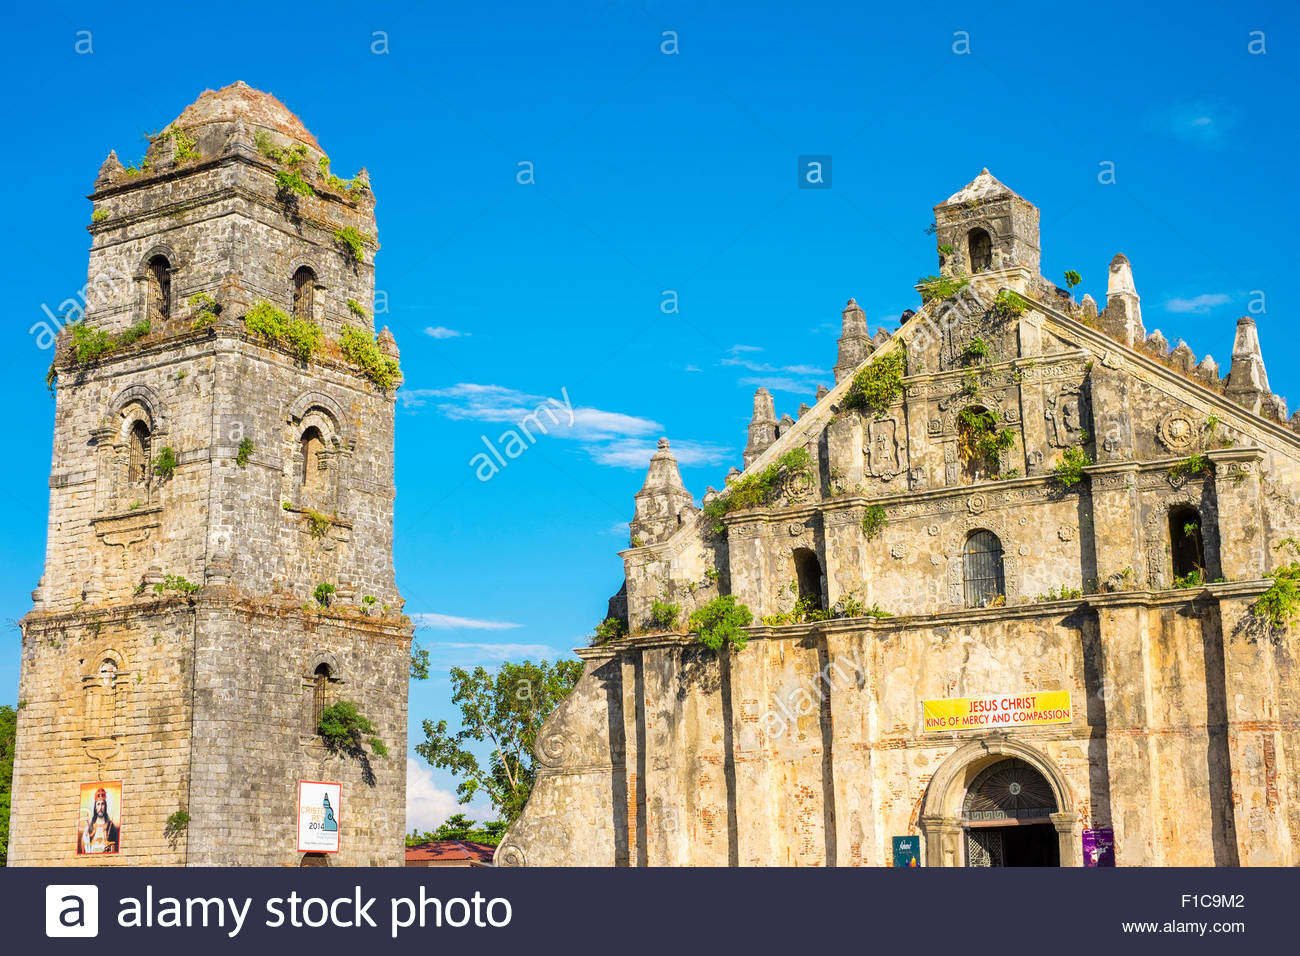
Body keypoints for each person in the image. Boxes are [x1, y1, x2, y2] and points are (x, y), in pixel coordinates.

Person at [78, 787, 120, 854]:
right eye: (98, 804)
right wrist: (86, 835)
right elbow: (85, 843)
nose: (100, 807)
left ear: (105, 806)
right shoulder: (91, 825)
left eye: (102, 804)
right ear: (95, 807)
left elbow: (114, 846)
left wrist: (110, 848)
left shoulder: (110, 825)